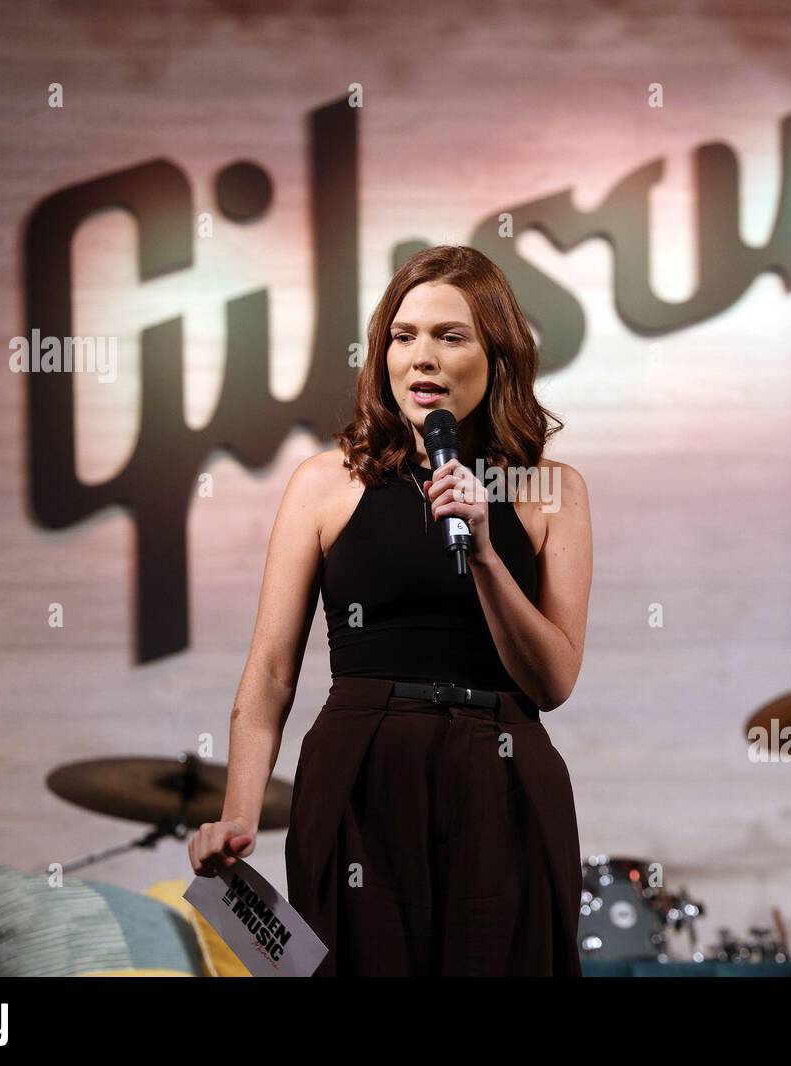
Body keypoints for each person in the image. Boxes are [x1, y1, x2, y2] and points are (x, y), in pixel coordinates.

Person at [188, 245, 593, 976]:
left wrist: (487, 557)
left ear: (496, 353)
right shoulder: (325, 482)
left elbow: (554, 681)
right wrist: (240, 815)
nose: (421, 359)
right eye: (403, 338)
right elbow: (273, 672)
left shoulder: (551, 490)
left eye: (450, 336)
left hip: (503, 774)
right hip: (363, 770)